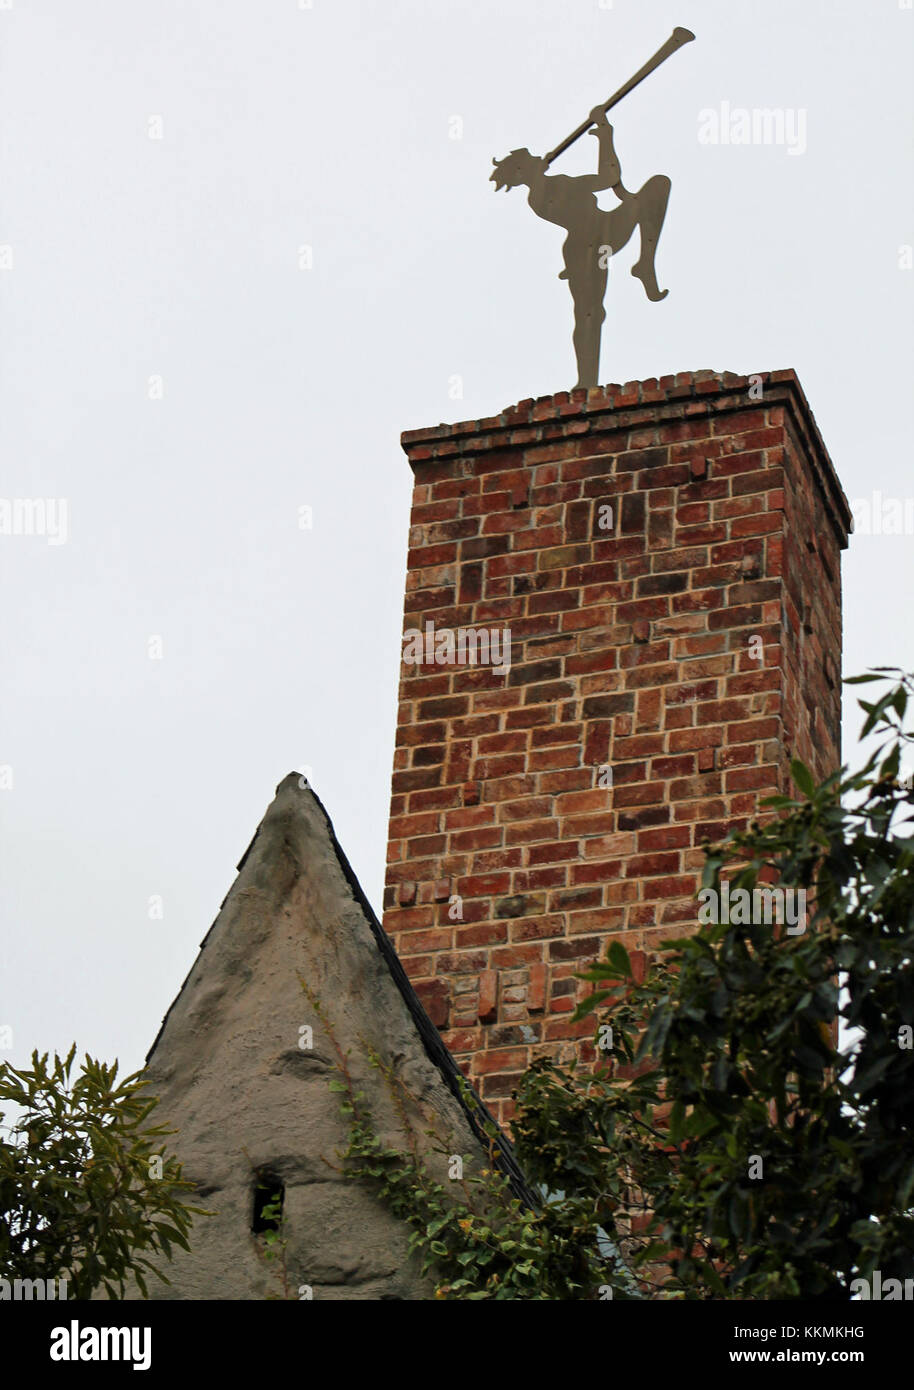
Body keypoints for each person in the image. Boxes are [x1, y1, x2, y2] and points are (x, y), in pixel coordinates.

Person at [490, 107, 671, 388]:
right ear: (521, 171)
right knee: (590, 313)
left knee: (658, 187)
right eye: (530, 159)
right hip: (585, 248)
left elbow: (607, 179)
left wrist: (605, 136)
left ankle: (644, 264)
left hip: (608, 227)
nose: (539, 156)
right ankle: (586, 381)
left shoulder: (558, 183)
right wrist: (541, 175)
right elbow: (593, 187)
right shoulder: (541, 196)